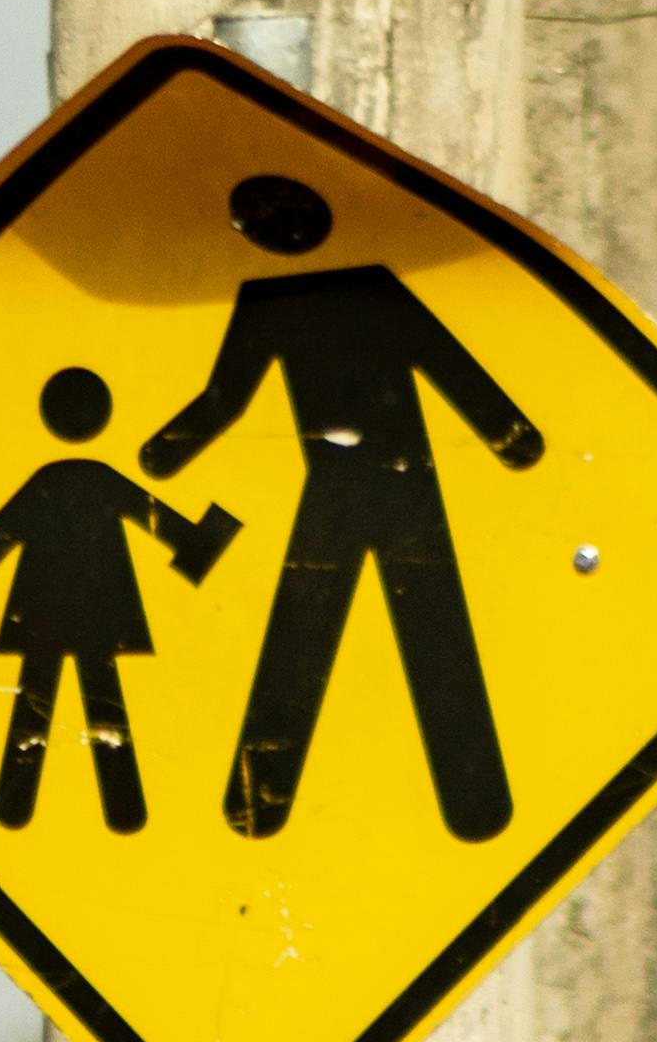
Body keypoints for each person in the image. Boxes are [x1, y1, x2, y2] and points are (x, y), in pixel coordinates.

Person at [139, 170, 544, 840]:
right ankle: (460, 804)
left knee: (340, 634)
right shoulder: (338, 293)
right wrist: (511, 439)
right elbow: (451, 370)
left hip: (360, 486)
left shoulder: (308, 297)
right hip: (382, 483)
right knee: (374, 632)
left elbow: (224, 402)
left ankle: (270, 803)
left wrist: (159, 454)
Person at [0, 366, 238, 833]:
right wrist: (202, 538)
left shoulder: (46, 481)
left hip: (41, 617)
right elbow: (162, 525)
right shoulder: (105, 480)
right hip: (102, 615)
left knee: (34, 705)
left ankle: (15, 805)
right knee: (105, 708)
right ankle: (123, 808)